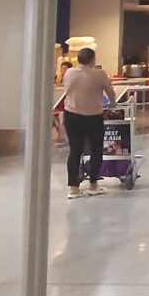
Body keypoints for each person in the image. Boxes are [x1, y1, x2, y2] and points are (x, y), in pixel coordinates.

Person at [61, 48, 116, 199]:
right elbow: (110, 92)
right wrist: (112, 104)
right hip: (93, 117)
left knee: (75, 151)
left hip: (71, 115)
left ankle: (73, 189)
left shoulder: (69, 72)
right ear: (92, 59)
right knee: (95, 150)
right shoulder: (99, 74)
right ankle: (93, 185)